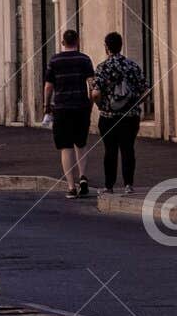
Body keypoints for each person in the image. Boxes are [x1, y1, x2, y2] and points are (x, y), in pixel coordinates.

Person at [43, 28, 96, 198]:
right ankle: (83, 176)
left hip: (62, 108)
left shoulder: (54, 60)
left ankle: (71, 187)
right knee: (81, 143)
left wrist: (46, 105)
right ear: (78, 41)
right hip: (81, 107)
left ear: (62, 42)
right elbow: (91, 83)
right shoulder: (85, 59)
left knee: (65, 147)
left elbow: (48, 86)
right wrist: (90, 102)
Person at [93, 31, 148, 194]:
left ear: (106, 47)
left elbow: (95, 93)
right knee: (128, 149)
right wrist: (135, 104)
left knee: (110, 151)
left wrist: (100, 106)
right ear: (121, 46)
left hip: (108, 117)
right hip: (130, 117)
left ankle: (109, 186)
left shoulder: (102, 67)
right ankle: (128, 185)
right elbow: (146, 90)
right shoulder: (133, 66)